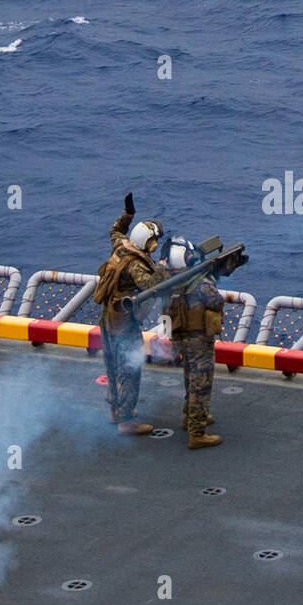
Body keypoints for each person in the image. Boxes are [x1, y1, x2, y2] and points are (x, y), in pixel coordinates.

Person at [93, 193, 169, 435]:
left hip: (107, 317)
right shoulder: (136, 265)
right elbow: (151, 286)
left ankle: (115, 411)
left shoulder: (120, 247)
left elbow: (115, 230)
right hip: (123, 322)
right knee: (129, 368)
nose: (155, 246)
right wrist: (163, 268)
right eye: (154, 241)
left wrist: (128, 216)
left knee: (113, 364)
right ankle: (126, 422)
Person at [164, 236, 225, 450]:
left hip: (180, 338)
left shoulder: (169, 282)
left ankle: (189, 417)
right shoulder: (198, 282)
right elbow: (216, 300)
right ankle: (197, 433)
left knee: (190, 378)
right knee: (201, 383)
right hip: (199, 339)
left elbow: (166, 314)